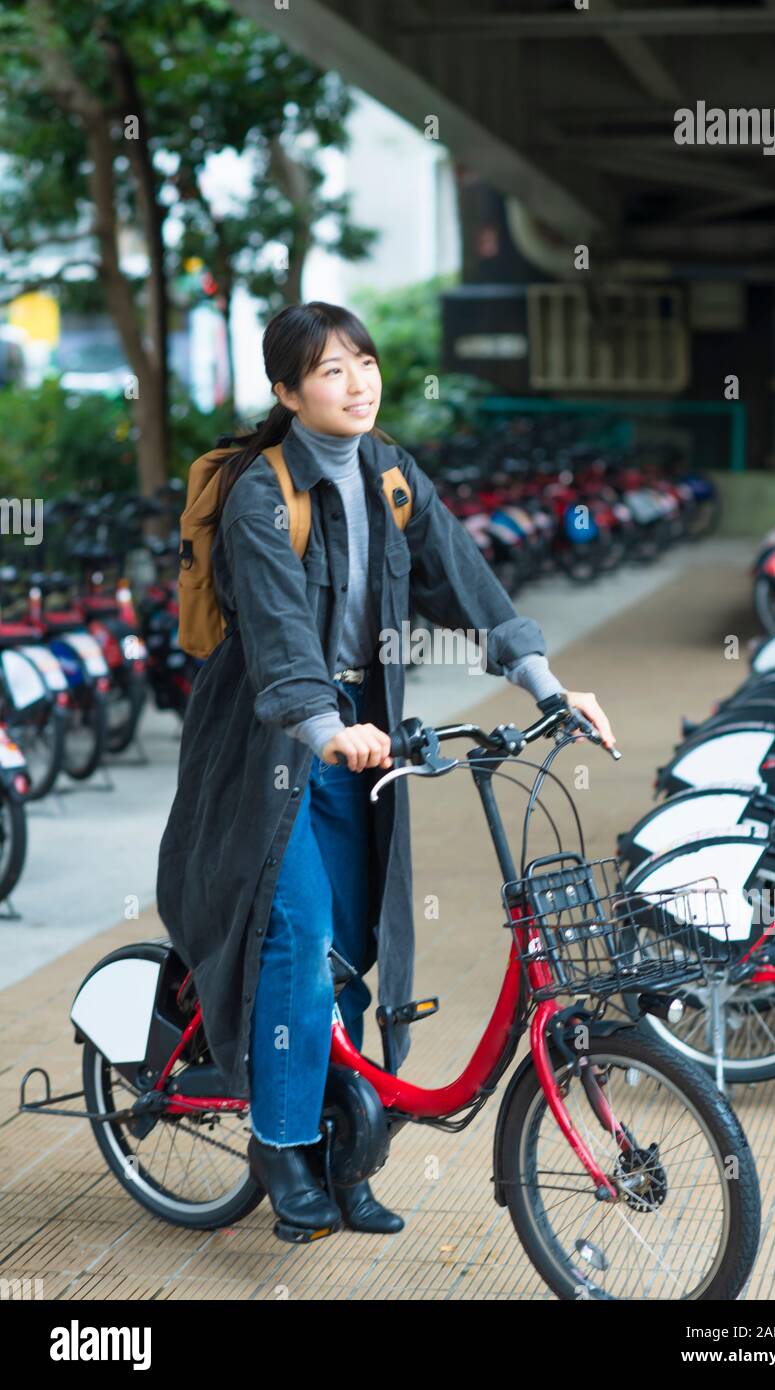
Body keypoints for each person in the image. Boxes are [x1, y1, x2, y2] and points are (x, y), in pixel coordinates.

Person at [156, 301, 616, 1244]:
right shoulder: (259, 493)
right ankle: (281, 1147)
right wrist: (322, 724)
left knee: (356, 953)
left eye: (363, 362)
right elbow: (282, 635)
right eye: (330, 370)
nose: (357, 382)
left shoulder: (391, 471)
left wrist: (548, 685)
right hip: (267, 754)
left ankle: (347, 1156)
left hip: (365, 742)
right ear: (286, 392)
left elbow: (465, 580)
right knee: (299, 941)